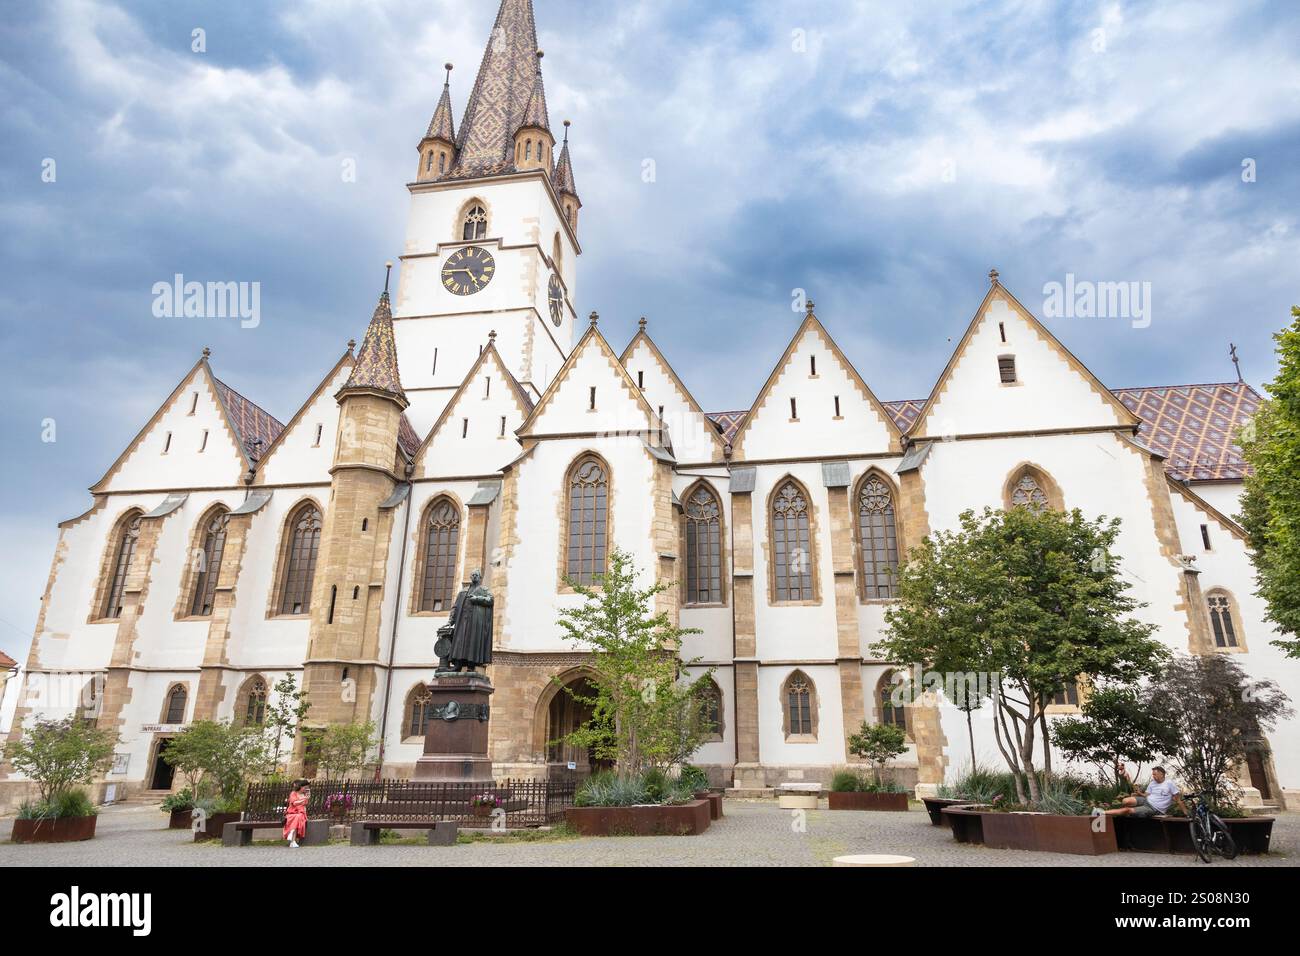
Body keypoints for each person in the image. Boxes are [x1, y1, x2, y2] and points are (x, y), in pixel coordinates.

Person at [1104, 763, 1187, 818]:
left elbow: (1178, 801)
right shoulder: (1152, 783)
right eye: (1152, 774)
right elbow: (1146, 795)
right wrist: (1139, 793)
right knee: (1126, 801)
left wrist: (1186, 814)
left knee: (1127, 810)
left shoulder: (1169, 783)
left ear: (1161, 774)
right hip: (1146, 800)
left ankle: (1102, 812)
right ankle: (1130, 813)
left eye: (1155, 774)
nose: (1153, 776)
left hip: (1155, 809)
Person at [284, 779, 310, 848]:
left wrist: (307, 798)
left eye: (307, 788)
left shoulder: (304, 795)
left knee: (298, 817)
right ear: (300, 787)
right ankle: (293, 841)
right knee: (296, 818)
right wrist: (304, 799)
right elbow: (294, 803)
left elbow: (305, 804)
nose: (306, 789)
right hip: (292, 813)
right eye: (305, 788)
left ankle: (291, 834)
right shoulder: (293, 793)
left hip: (301, 813)